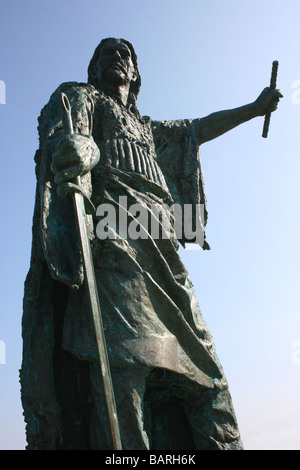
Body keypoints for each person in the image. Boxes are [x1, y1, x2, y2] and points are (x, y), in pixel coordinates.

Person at [21, 38, 282, 450]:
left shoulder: (148, 128)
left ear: (136, 73)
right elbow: (75, 133)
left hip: (163, 245)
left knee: (209, 379)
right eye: (106, 53)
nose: (117, 58)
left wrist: (254, 108)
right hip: (115, 239)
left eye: (125, 54)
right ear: (94, 69)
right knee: (125, 368)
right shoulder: (87, 98)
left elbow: (200, 128)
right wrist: (81, 152)